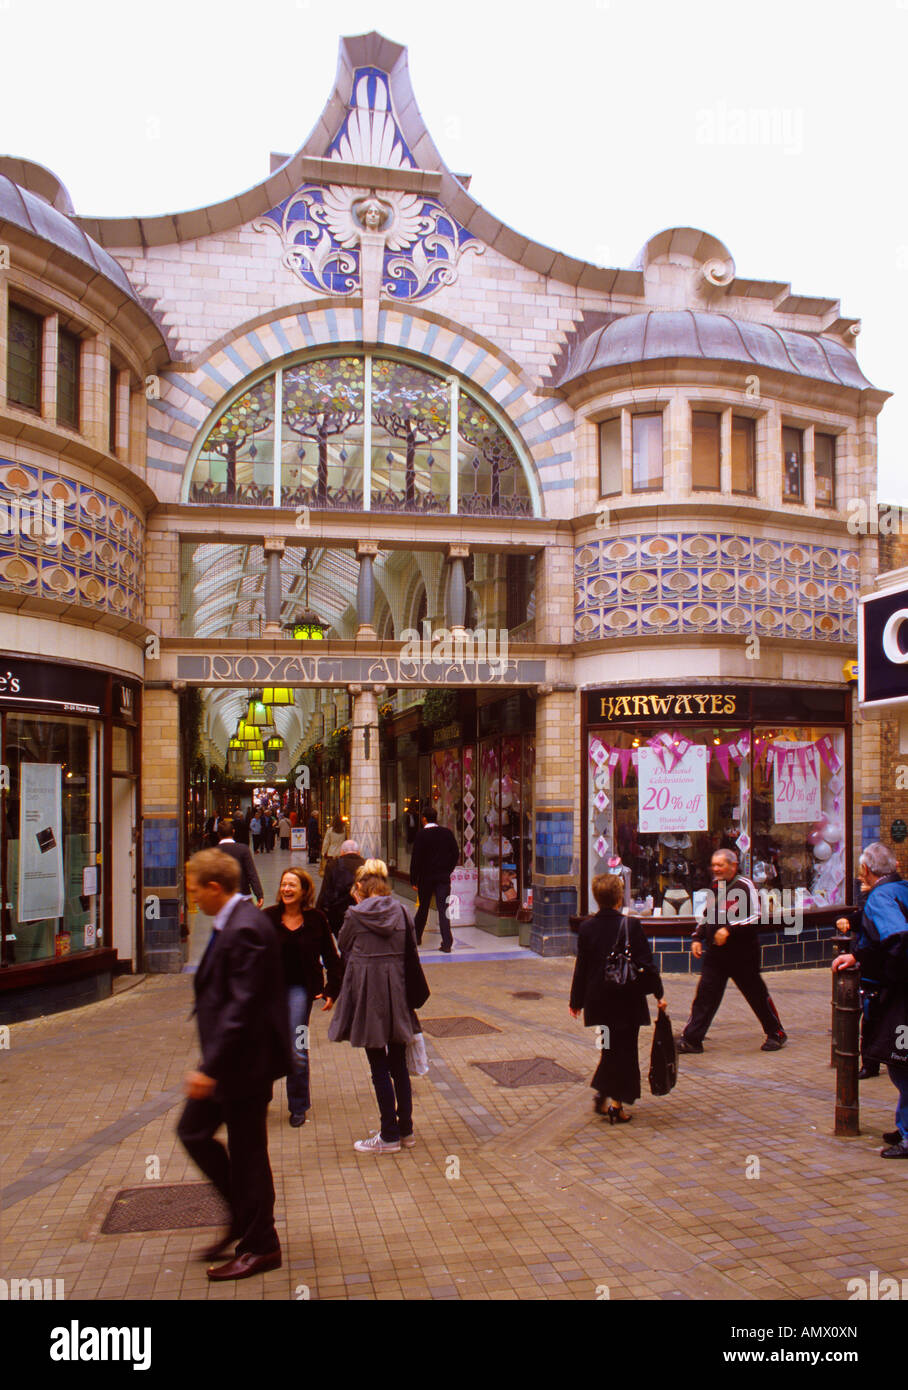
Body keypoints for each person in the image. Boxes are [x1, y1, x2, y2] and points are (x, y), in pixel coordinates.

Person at [177, 849, 293, 1280]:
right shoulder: (233, 923)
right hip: (230, 1063)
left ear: (214, 888)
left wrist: (210, 1068)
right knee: (193, 1132)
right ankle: (242, 1217)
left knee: (249, 1154)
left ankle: (261, 1243)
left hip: (244, 1064)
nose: (192, 900)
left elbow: (242, 1007)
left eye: (194, 891)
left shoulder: (245, 928)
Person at [329, 859, 421, 1153]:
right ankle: (405, 1130)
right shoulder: (403, 911)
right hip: (397, 992)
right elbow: (411, 949)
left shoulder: (355, 915)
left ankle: (388, 1135)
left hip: (368, 994)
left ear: (360, 888)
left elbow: (343, 944)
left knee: (377, 1064)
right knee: (398, 1064)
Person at [569, 873, 668, 1122]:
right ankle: (614, 1103)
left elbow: (582, 967)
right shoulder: (631, 926)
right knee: (626, 1051)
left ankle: (608, 1096)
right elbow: (646, 965)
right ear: (618, 898)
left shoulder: (587, 927)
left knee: (610, 1048)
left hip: (599, 1001)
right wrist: (659, 994)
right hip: (627, 1000)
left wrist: (576, 1001)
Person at [834, 842, 908, 1157]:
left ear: (866, 870)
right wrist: (858, 955)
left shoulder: (880, 896)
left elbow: (898, 937)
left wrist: (889, 978)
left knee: (900, 1061)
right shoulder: (902, 888)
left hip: (900, 992)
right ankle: (904, 1125)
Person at [678, 848, 786, 1054]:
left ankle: (776, 1033)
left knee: (756, 994)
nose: (716, 869)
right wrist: (697, 937)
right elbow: (707, 914)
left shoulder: (745, 886)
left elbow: (755, 917)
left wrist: (729, 930)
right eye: (714, 865)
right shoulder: (715, 886)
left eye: (721, 865)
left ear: (733, 866)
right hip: (716, 953)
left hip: (742, 954)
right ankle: (692, 1039)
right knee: (705, 995)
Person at [264, 869, 341, 1126]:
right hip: (270, 990)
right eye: (284, 884)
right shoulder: (268, 918)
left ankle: (298, 1105)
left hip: (301, 990)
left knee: (298, 1045)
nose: (286, 889)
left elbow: (332, 958)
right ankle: (261, 1098)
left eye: (292, 885)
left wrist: (331, 990)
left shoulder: (317, 919)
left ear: (304, 891)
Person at [409, 808, 460, 952]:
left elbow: (415, 859)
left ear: (424, 819)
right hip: (443, 877)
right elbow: (455, 853)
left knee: (423, 907)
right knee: (443, 909)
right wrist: (448, 870)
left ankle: (416, 937)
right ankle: (447, 942)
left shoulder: (421, 835)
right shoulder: (447, 833)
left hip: (426, 878)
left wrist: (414, 879)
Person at [317, 839, 365, 938]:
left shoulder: (333, 865)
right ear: (359, 852)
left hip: (338, 914)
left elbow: (325, 891)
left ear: (341, 852)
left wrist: (319, 912)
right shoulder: (366, 864)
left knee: (343, 943)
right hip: (363, 913)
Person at [215, 819, 264, 906]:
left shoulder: (215, 851)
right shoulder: (243, 849)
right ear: (233, 832)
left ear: (218, 834)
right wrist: (259, 894)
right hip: (243, 896)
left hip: (223, 898)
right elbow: (251, 873)